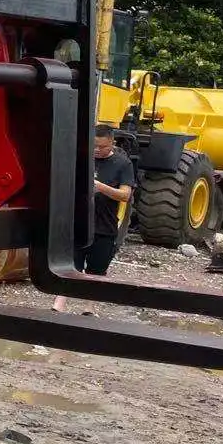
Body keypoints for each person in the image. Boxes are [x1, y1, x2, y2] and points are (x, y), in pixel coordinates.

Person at [53, 124, 135, 312]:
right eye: (94, 146)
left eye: (102, 147)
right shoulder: (81, 159)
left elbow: (125, 195)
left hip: (105, 226)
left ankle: (89, 308)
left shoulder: (123, 164)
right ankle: (59, 305)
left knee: (97, 270)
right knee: (69, 266)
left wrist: (100, 187)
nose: (97, 150)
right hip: (77, 223)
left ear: (112, 143)